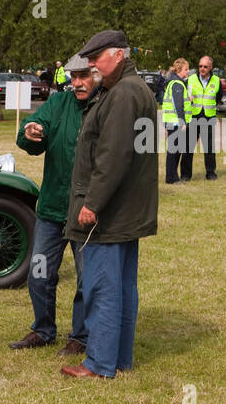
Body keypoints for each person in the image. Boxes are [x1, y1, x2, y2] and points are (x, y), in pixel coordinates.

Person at [62, 29, 159, 379]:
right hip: (126, 209)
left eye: (96, 58)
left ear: (118, 55)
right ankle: (119, 359)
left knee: (102, 287)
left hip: (111, 212)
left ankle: (99, 364)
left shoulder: (123, 94)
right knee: (120, 287)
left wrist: (93, 203)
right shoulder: (133, 89)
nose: (91, 65)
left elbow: (113, 156)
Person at [9, 53, 96, 356]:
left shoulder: (105, 107)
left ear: (98, 75)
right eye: (73, 77)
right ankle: (43, 329)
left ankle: (81, 337)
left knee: (87, 279)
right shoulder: (59, 103)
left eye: (84, 76)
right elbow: (31, 132)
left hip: (87, 213)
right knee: (39, 273)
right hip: (51, 208)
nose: (78, 83)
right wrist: (31, 132)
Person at [185, 55, 221, 180]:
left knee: (209, 147)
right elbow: (186, 97)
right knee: (188, 147)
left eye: (205, 66)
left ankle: (210, 173)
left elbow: (219, 97)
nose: (202, 68)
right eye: (200, 66)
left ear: (211, 67)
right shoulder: (191, 79)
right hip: (193, 116)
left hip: (208, 117)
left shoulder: (216, 80)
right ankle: (185, 175)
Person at [161, 58, 191, 184]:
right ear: (179, 70)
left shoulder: (175, 83)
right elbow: (178, 105)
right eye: (186, 69)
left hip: (173, 121)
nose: (188, 71)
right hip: (175, 122)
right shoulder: (177, 84)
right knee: (174, 151)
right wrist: (182, 122)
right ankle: (171, 178)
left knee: (175, 150)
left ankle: (172, 177)